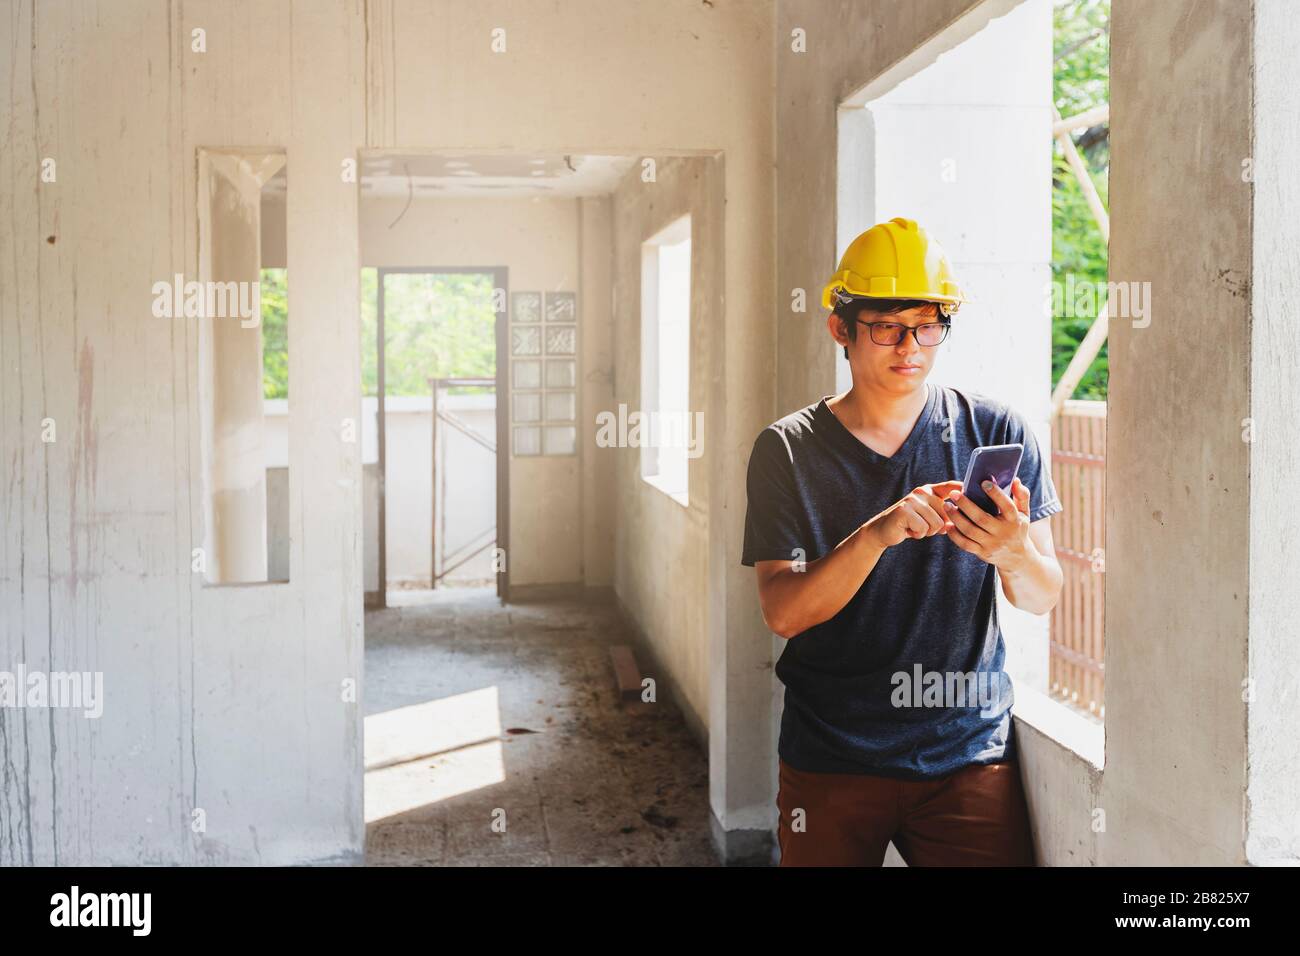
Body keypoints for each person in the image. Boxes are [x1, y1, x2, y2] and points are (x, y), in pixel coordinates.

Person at [741, 217, 1064, 866]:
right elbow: (784, 612)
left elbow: (1043, 595)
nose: (910, 346)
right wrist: (879, 533)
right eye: (887, 326)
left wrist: (1011, 552)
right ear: (841, 327)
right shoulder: (788, 449)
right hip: (830, 757)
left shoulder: (995, 430)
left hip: (965, 754)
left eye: (928, 325)